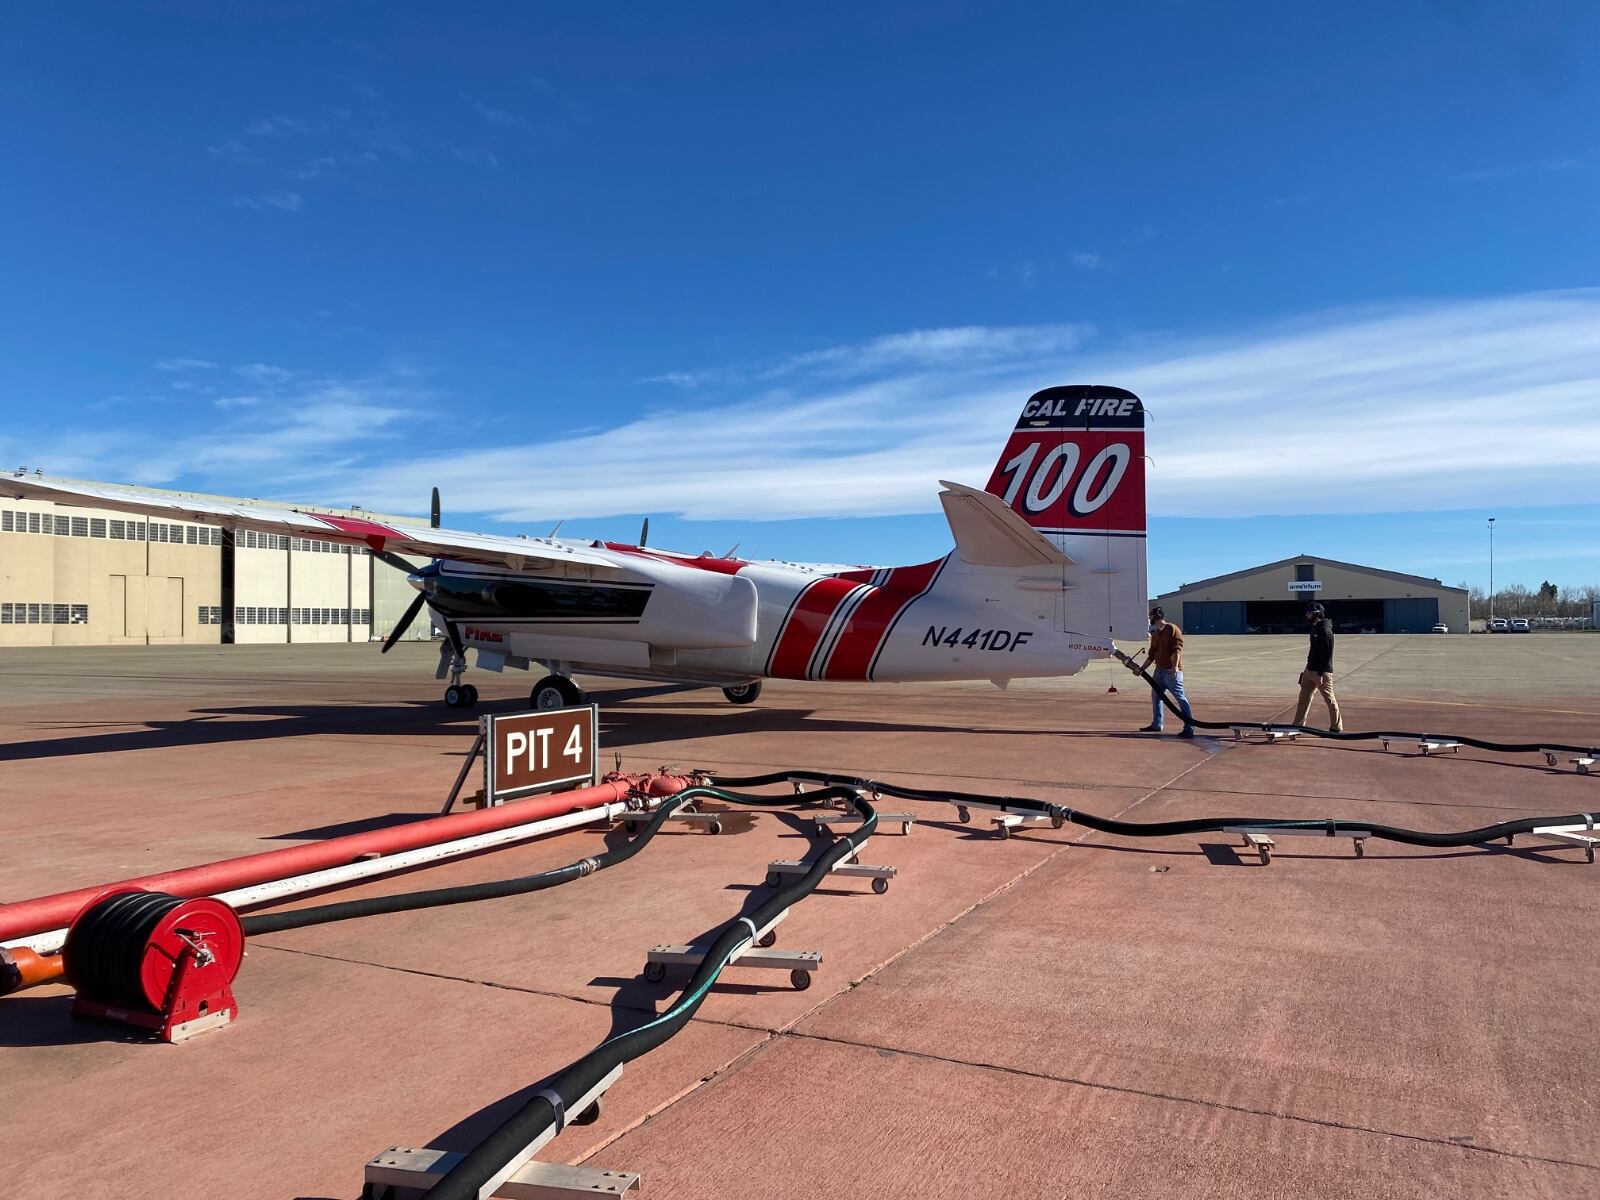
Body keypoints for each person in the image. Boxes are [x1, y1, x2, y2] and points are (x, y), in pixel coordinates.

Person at [1136, 606, 1195, 738]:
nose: (1150, 619)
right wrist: (1141, 669)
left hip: (1171, 673)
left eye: (1151, 616)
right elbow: (1151, 655)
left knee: (1180, 698)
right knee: (1156, 697)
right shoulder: (1156, 633)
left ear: (1157, 616)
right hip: (1159, 672)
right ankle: (1157, 724)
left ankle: (1189, 727)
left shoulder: (1172, 629)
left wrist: (1175, 667)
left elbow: (1177, 649)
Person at [1293, 602, 1343, 732]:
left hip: (1322, 672)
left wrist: (1320, 674)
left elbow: (1327, 654)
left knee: (1329, 699)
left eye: (1309, 613)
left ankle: (1336, 726)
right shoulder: (1314, 628)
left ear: (1316, 614)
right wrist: (1307, 668)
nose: (1306, 615)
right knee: (1303, 699)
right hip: (1309, 670)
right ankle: (1298, 725)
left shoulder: (1325, 630)